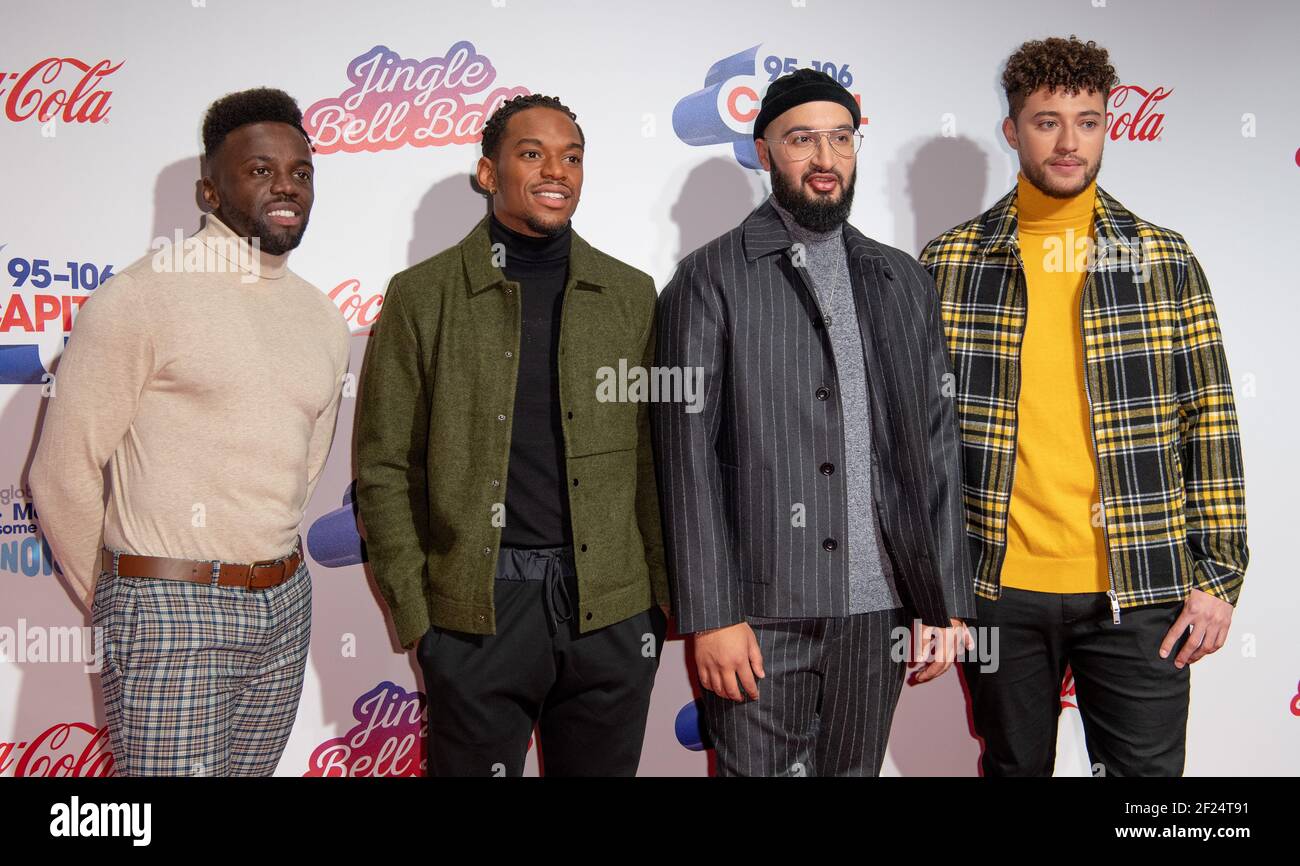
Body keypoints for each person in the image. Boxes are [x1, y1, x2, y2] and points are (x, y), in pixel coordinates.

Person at [920, 36, 1249, 776]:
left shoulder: (1163, 258)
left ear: (1108, 125)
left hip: (1140, 588)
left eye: (1089, 120)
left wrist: (1218, 577)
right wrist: (929, 582)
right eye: (1047, 121)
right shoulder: (949, 264)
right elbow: (919, 439)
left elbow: (1212, 420)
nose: (1070, 142)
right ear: (1011, 130)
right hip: (998, 588)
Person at [654, 69, 973, 777]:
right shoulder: (710, 277)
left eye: (841, 139)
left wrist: (946, 600)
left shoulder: (902, 279)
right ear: (765, 151)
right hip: (760, 615)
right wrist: (710, 615)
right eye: (803, 140)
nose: (825, 160)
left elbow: (936, 444)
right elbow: (686, 461)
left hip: (880, 613)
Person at [29, 87, 350, 776]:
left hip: (286, 604)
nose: (286, 185)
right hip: (168, 609)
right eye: (260, 170)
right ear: (209, 190)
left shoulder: (322, 318)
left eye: (300, 170)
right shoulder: (140, 298)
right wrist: (130, 602)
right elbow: (60, 475)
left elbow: (302, 466)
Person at [355, 93, 668, 777]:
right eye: (532, 154)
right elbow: (383, 468)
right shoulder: (422, 295)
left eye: (572, 157)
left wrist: (655, 609)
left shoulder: (630, 294)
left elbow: (655, 462)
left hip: (611, 612)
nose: (556, 170)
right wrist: (419, 618)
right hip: (476, 615)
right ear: (488, 173)